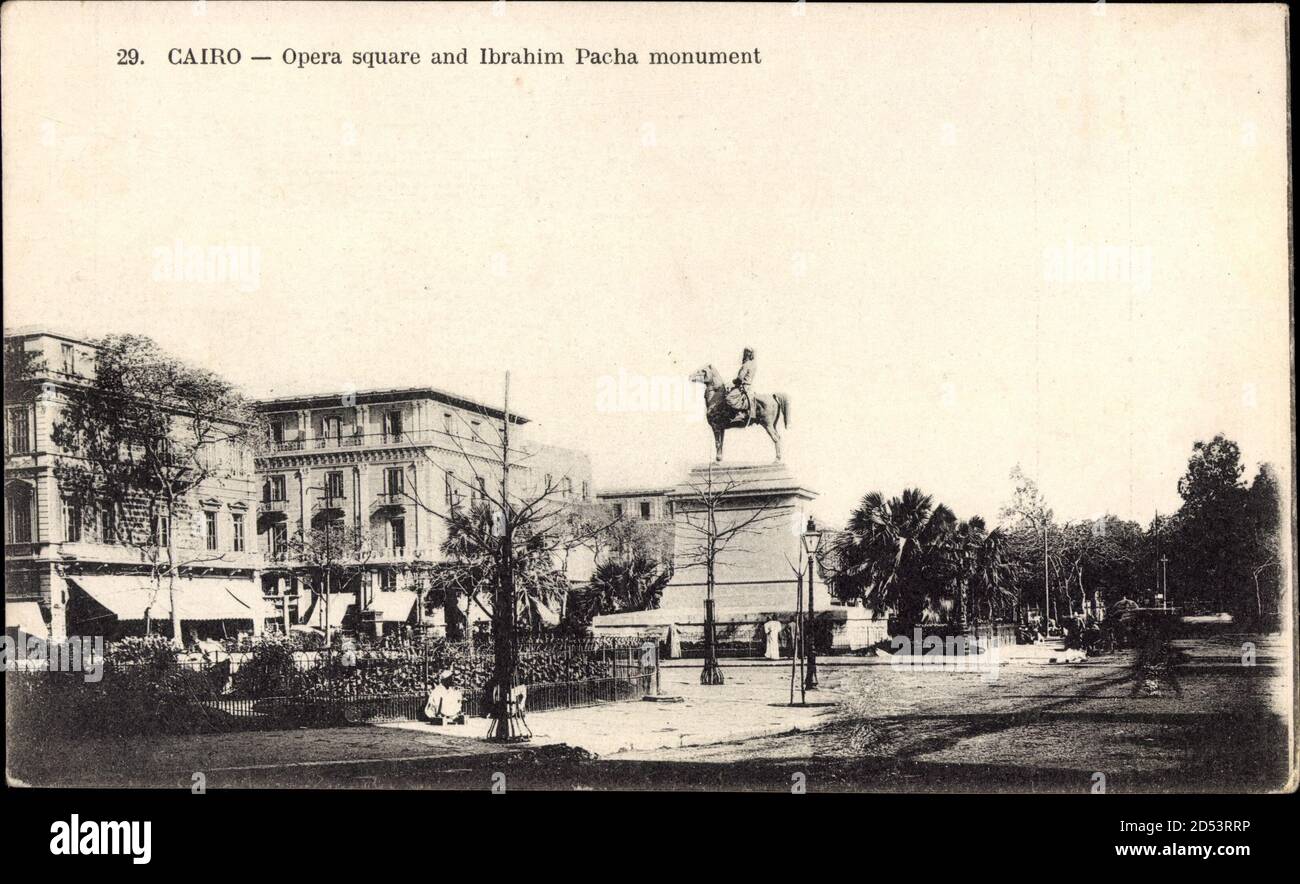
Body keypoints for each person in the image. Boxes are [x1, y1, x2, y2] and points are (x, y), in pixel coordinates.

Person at [725, 347, 757, 425]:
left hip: (743, 387)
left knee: (728, 398)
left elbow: (740, 378)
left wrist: (733, 381)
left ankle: (739, 414)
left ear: (747, 354)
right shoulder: (753, 364)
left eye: (745, 353)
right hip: (749, 386)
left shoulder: (746, 364)